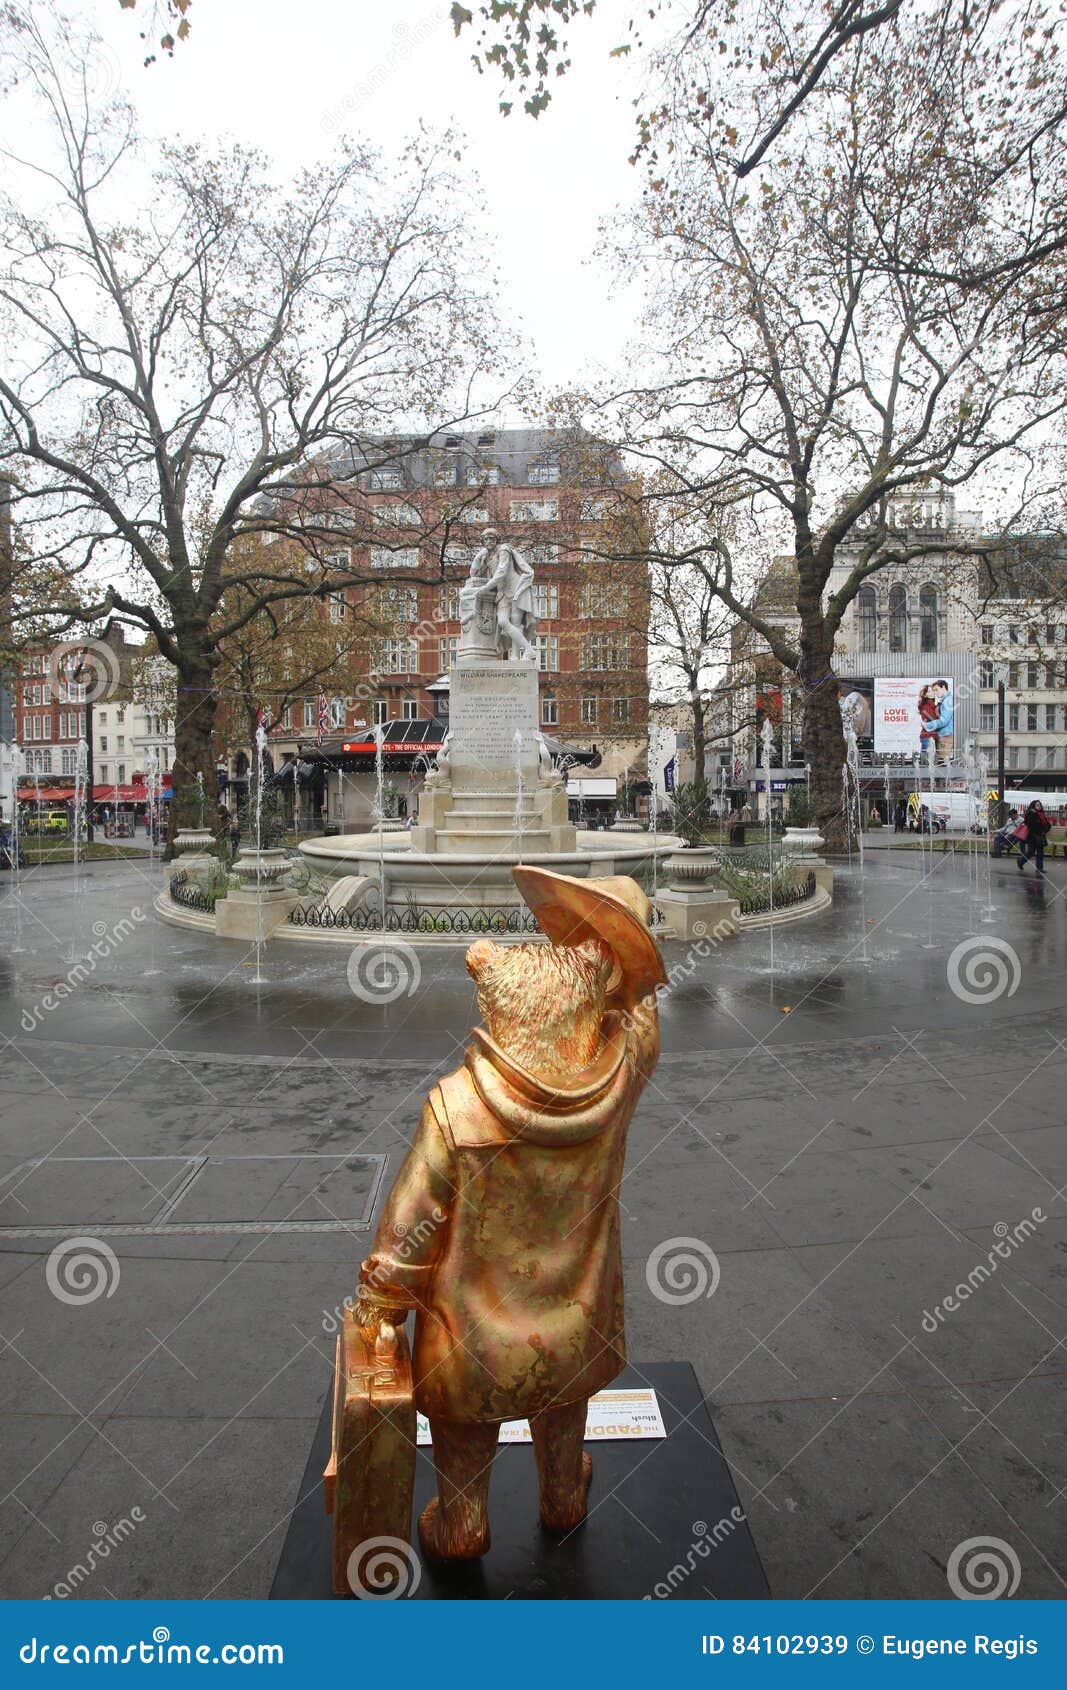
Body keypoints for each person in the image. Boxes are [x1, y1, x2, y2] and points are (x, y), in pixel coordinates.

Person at [353, 866, 666, 1561]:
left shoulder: (456, 1106)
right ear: (585, 1010)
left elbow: (408, 1229)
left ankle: (463, 1525)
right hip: (577, 1323)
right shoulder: (620, 1073)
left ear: (500, 1017)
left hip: (472, 1342)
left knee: (466, 1430)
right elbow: (640, 1002)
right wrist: (613, 933)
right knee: (563, 1409)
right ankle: (562, 1496)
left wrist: (379, 1311)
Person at [1017, 798, 1050, 875]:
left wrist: (1045, 829)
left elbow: (1046, 824)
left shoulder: (1041, 813)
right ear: (1033, 806)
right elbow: (1029, 824)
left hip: (1041, 835)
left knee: (1040, 852)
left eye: (1040, 805)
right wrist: (1039, 831)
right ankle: (1021, 861)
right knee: (1031, 852)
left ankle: (1039, 868)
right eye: (1037, 805)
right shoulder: (1031, 813)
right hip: (1033, 836)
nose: (1039, 806)